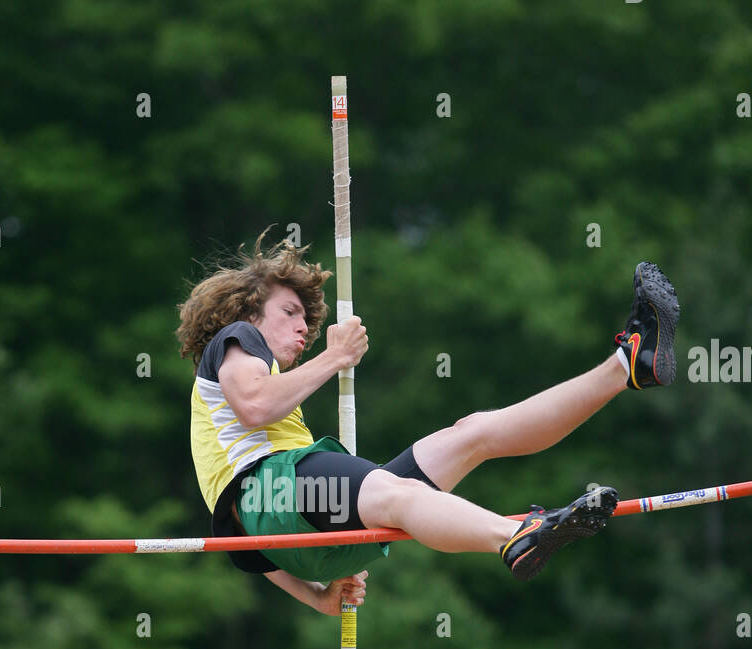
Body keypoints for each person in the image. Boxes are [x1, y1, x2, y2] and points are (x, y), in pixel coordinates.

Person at [176, 230, 680, 616]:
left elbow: (249, 540)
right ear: (247, 312)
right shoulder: (237, 341)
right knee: (399, 495)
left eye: (305, 318)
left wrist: (320, 598)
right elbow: (257, 410)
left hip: (302, 535)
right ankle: (512, 536)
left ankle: (626, 366)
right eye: (289, 312)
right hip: (278, 499)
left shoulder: (253, 416)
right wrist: (334, 358)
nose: (304, 326)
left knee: (472, 434)